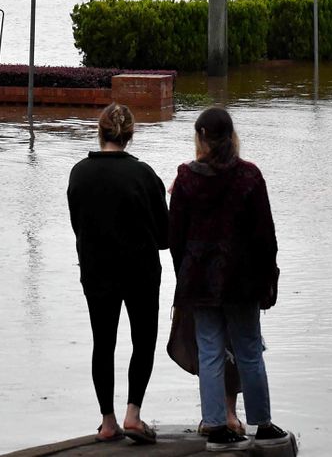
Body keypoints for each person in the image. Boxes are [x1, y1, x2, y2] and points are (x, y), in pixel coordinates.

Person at [169, 106, 290, 452]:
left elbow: (175, 235)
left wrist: (184, 275)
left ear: (201, 138)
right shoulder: (249, 176)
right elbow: (266, 236)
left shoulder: (187, 179)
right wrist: (269, 278)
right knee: (249, 350)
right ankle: (263, 425)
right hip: (243, 282)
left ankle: (217, 427)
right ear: (232, 136)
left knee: (209, 351)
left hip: (200, 282)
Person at [67, 103, 168, 445]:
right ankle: (133, 414)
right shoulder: (144, 175)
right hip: (140, 270)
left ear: (100, 131)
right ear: (130, 135)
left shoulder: (79, 173)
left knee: (103, 344)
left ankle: (108, 421)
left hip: (97, 270)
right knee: (143, 341)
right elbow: (165, 236)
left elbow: (76, 224)